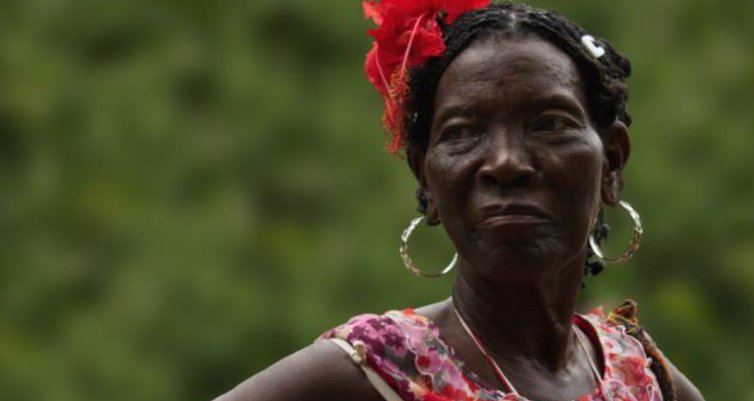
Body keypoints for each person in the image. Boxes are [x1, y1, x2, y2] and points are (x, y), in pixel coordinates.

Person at [217, 2, 706, 400]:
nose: (506, 163)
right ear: (425, 179)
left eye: (549, 124)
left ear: (612, 163)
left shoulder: (642, 379)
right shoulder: (376, 372)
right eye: (463, 132)